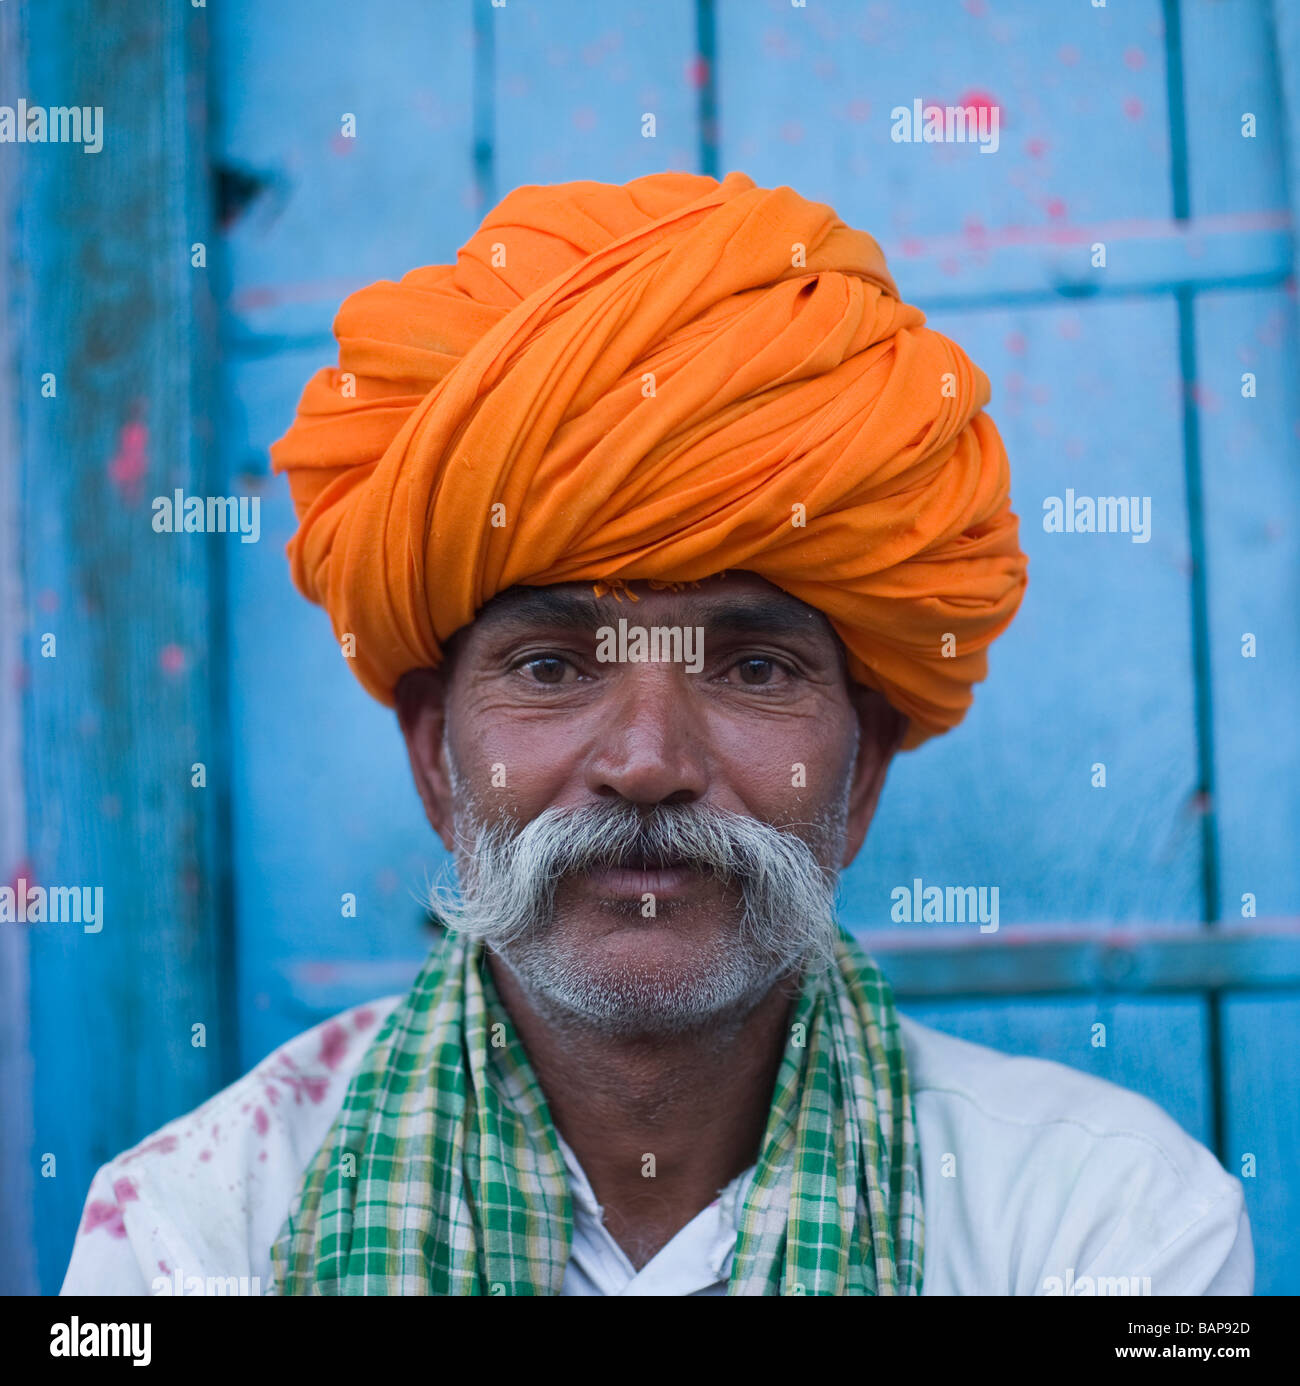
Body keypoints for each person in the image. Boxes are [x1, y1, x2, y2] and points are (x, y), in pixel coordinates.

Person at [62, 171, 1251, 1296]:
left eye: (748, 667)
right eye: (551, 665)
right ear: (434, 757)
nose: (645, 761)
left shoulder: (1109, 1222)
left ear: (867, 767)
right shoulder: (191, 1233)